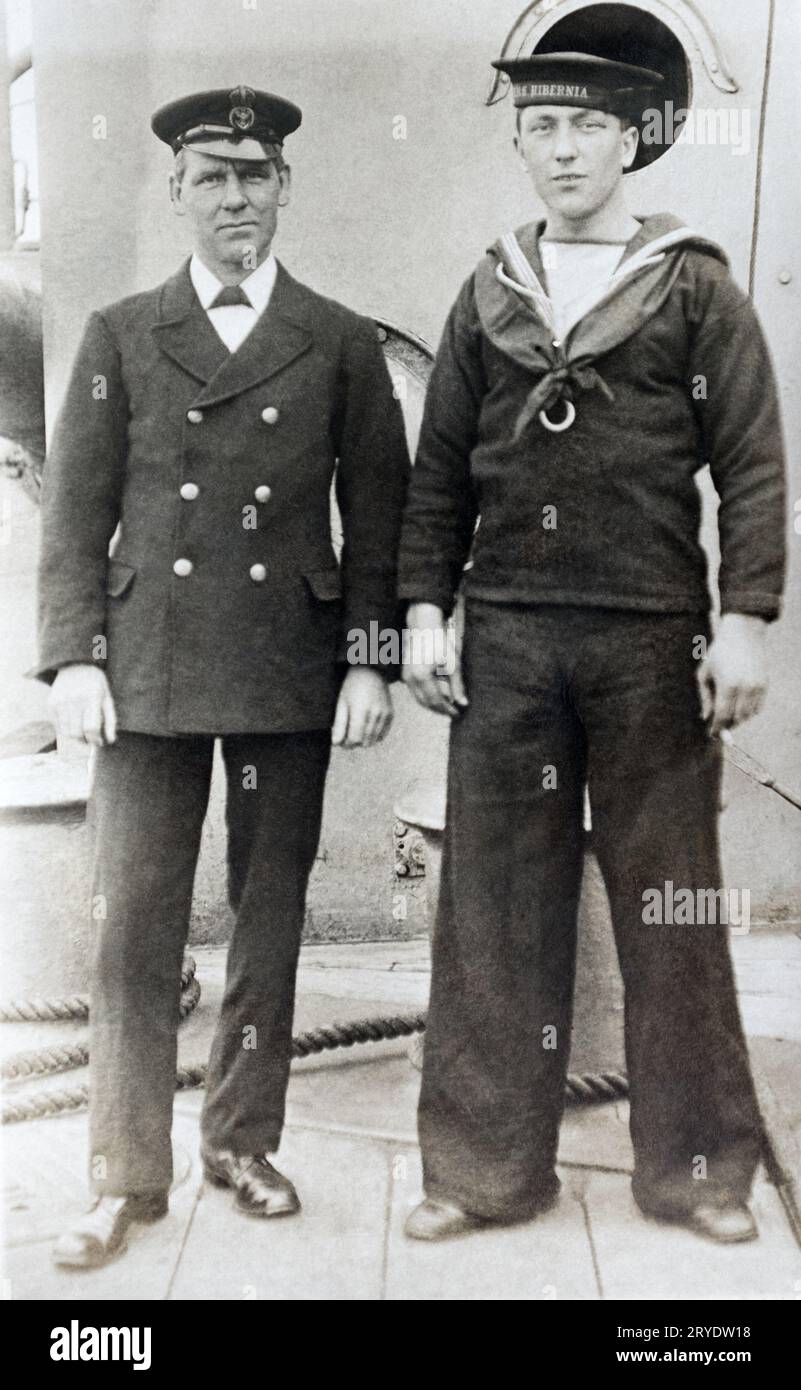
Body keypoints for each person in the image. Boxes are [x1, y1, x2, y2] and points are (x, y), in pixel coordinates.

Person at [398, 51, 786, 1243]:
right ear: (522, 146)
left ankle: (701, 1171)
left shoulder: (693, 288)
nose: (563, 148)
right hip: (509, 639)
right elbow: (438, 475)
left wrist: (744, 619)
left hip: (648, 642)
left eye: (587, 127)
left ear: (633, 143)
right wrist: (423, 608)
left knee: (668, 907)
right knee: (497, 909)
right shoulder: (488, 292)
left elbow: (755, 465)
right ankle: (482, 1173)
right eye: (543, 127)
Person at [36, 84, 410, 1268]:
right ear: (179, 191)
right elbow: (76, 514)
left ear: (284, 188)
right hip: (143, 668)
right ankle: (121, 1171)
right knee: (131, 924)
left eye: (255, 177)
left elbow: (381, 521)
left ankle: (244, 1143)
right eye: (213, 178)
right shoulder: (118, 335)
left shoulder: (343, 341)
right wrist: (72, 658)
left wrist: (370, 657)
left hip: (285, 665)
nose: (235, 198)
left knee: (267, 915)